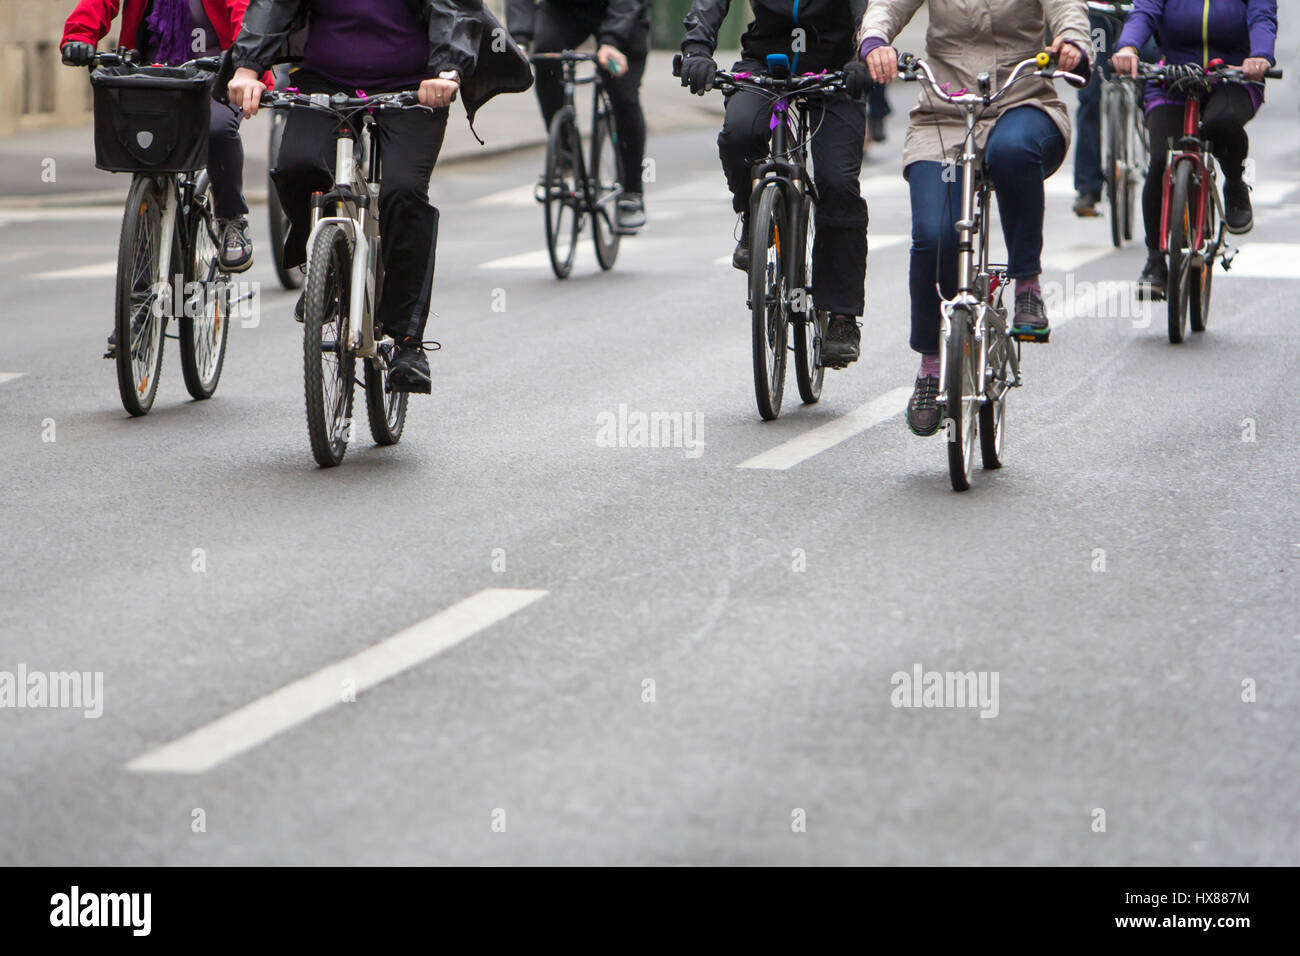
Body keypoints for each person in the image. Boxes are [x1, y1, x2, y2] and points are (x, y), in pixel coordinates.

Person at [225, 0, 532, 394]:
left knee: (403, 193)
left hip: (416, 88)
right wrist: (247, 70)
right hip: (324, 81)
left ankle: (407, 343)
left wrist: (447, 72)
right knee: (296, 167)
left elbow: (452, 11)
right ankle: (327, 262)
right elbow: (273, 6)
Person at [859, 0, 1091, 437]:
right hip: (943, 114)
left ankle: (1026, 284)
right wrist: (875, 41)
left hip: (1022, 103)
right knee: (934, 235)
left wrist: (1073, 41)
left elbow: (1067, 8)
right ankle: (931, 366)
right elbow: (886, 6)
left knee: (1012, 152)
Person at [679, 0, 872, 369]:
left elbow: (868, 8)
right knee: (740, 135)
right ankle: (754, 219)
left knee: (838, 182)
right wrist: (697, 49)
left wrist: (863, 55)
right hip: (765, 61)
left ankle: (842, 318)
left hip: (837, 69)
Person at [61, 0, 256, 279]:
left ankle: (231, 219)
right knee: (145, 153)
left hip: (216, 74)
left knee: (216, 130)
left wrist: (246, 62)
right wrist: (79, 36)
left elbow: (243, 9)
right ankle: (138, 310)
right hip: (151, 75)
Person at [1111, 0, 1278, 292]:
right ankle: (1155, 260)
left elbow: (1262, 16)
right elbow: (1144, 11)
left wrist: (1261, 55)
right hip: (1172, 77)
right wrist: (1128, 47)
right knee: (1161, 160)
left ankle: (1236, 185)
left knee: (1221, 125)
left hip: (1233, 76)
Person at [507, 0, 650, 230]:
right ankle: (565, 154)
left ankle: (631, 193)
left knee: (623, 94)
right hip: (566, 10)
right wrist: (519, 40)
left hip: (624, 12)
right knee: (545, 59)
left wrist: (612, 40)